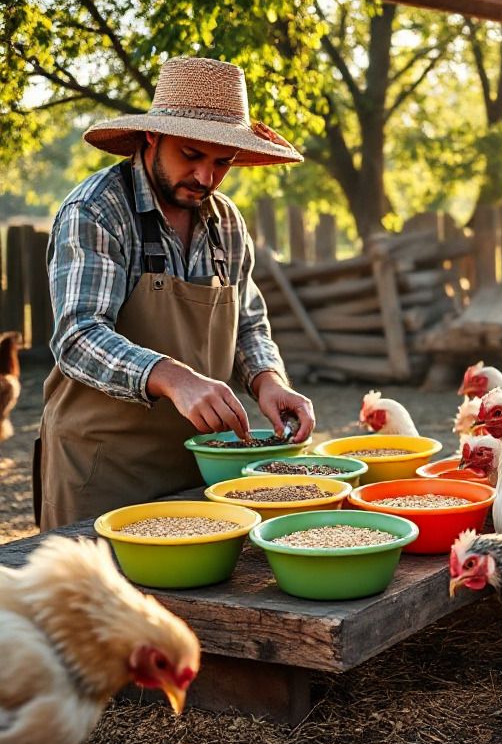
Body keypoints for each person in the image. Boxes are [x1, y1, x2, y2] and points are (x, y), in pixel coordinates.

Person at [37, 56, 315, 531]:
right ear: (152, 136)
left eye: (222, 163)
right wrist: (173, 377)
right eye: (191, 155)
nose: (206, 178)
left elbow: (247, 321)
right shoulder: (96, 211)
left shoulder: (227, 222)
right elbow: (78, 336)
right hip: (105, 469)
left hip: (202, 472)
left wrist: (268, 380)